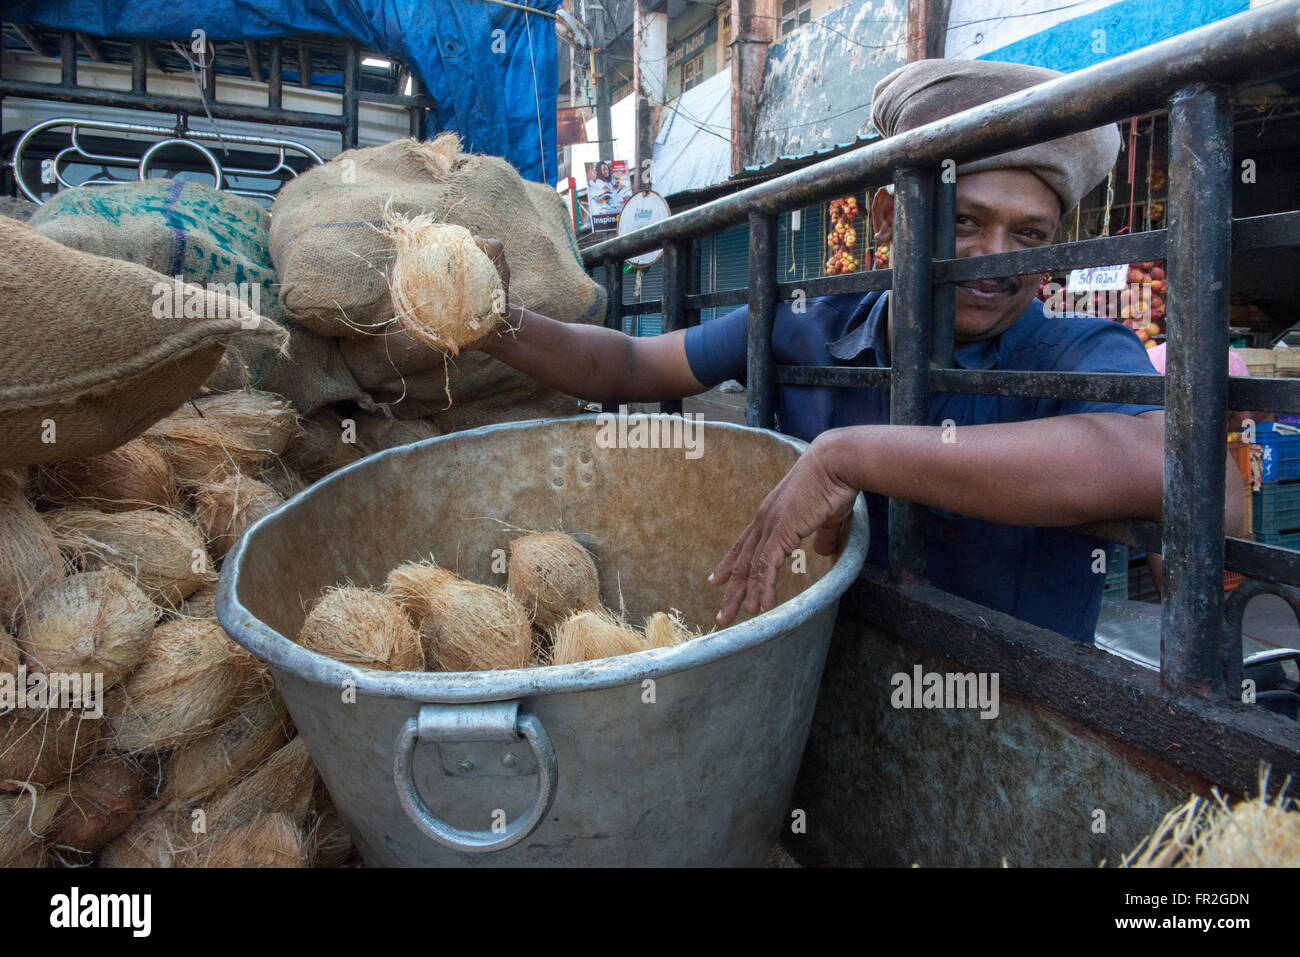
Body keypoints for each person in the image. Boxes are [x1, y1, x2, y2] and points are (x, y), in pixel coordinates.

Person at [469, 59, 1244, 642]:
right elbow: (631, 366)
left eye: (1029, 236)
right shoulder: (803, 325)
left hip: (1009, 725)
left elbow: (1191, 472)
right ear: (888, 218)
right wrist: (497, 321)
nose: (995, 258)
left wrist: (852, 456)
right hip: (816, 681)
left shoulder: (1078, 352)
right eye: (965, 222)